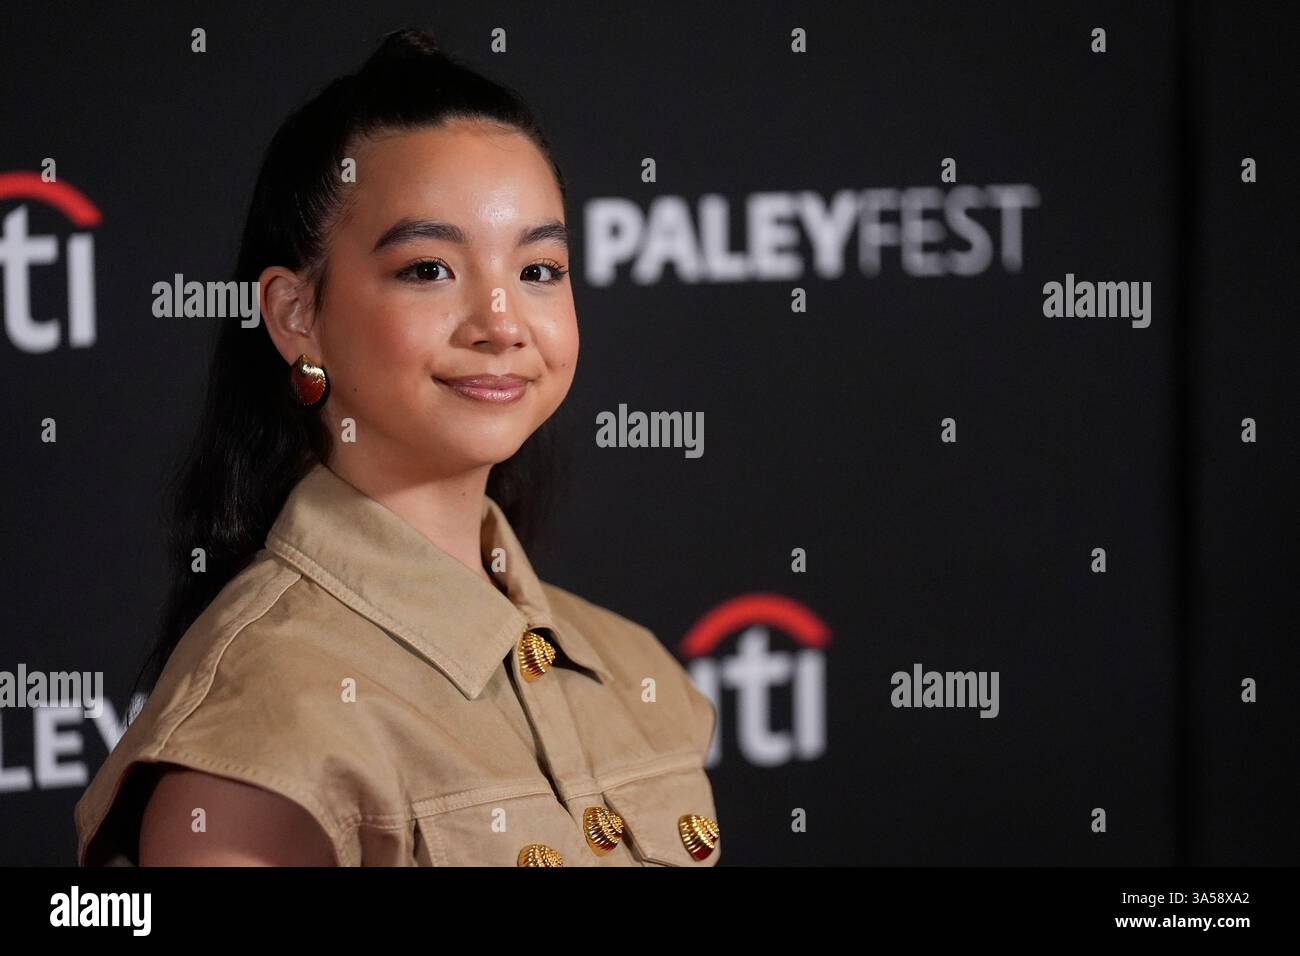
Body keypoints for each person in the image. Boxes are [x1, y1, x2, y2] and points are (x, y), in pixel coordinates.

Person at [73, 28, 720, 867]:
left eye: (539, 270)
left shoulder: (637, 672)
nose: (501, 324)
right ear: (294, 315)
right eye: (428, 269)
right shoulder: (264, 730)